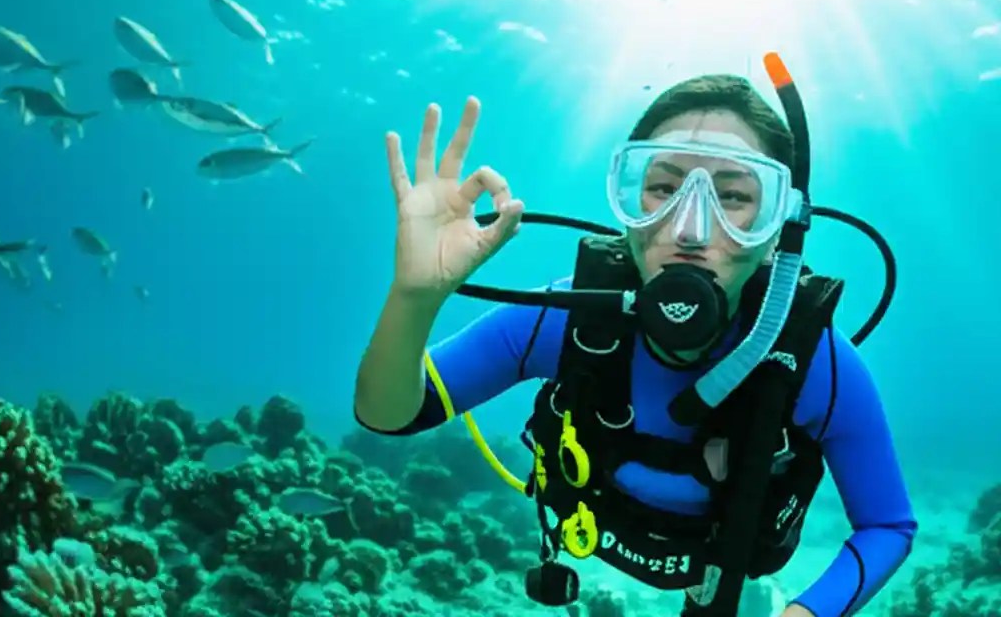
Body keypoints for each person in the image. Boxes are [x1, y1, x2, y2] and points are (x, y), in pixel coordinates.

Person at [355, 71, 918, 617]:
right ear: (629, 201)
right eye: (663, 189)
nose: (690, 230)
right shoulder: (570, 316)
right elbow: (392, 414)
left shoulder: (812, 360)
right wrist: (414, 297)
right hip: (589, 526)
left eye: (734, 197)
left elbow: (888, 525)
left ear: (779, 227)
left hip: (725, 560)